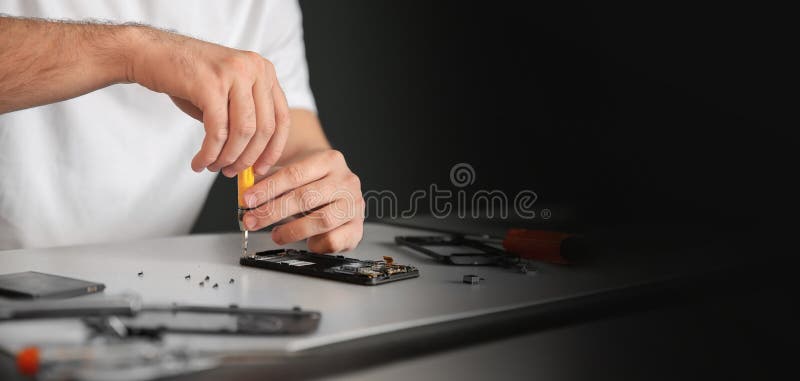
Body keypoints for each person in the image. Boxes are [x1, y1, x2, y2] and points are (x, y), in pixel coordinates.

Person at [0, 0, 364, 252]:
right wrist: (132, 52)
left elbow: (293, 144)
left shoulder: (266, 6)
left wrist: (324, 193)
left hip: (145, 294)